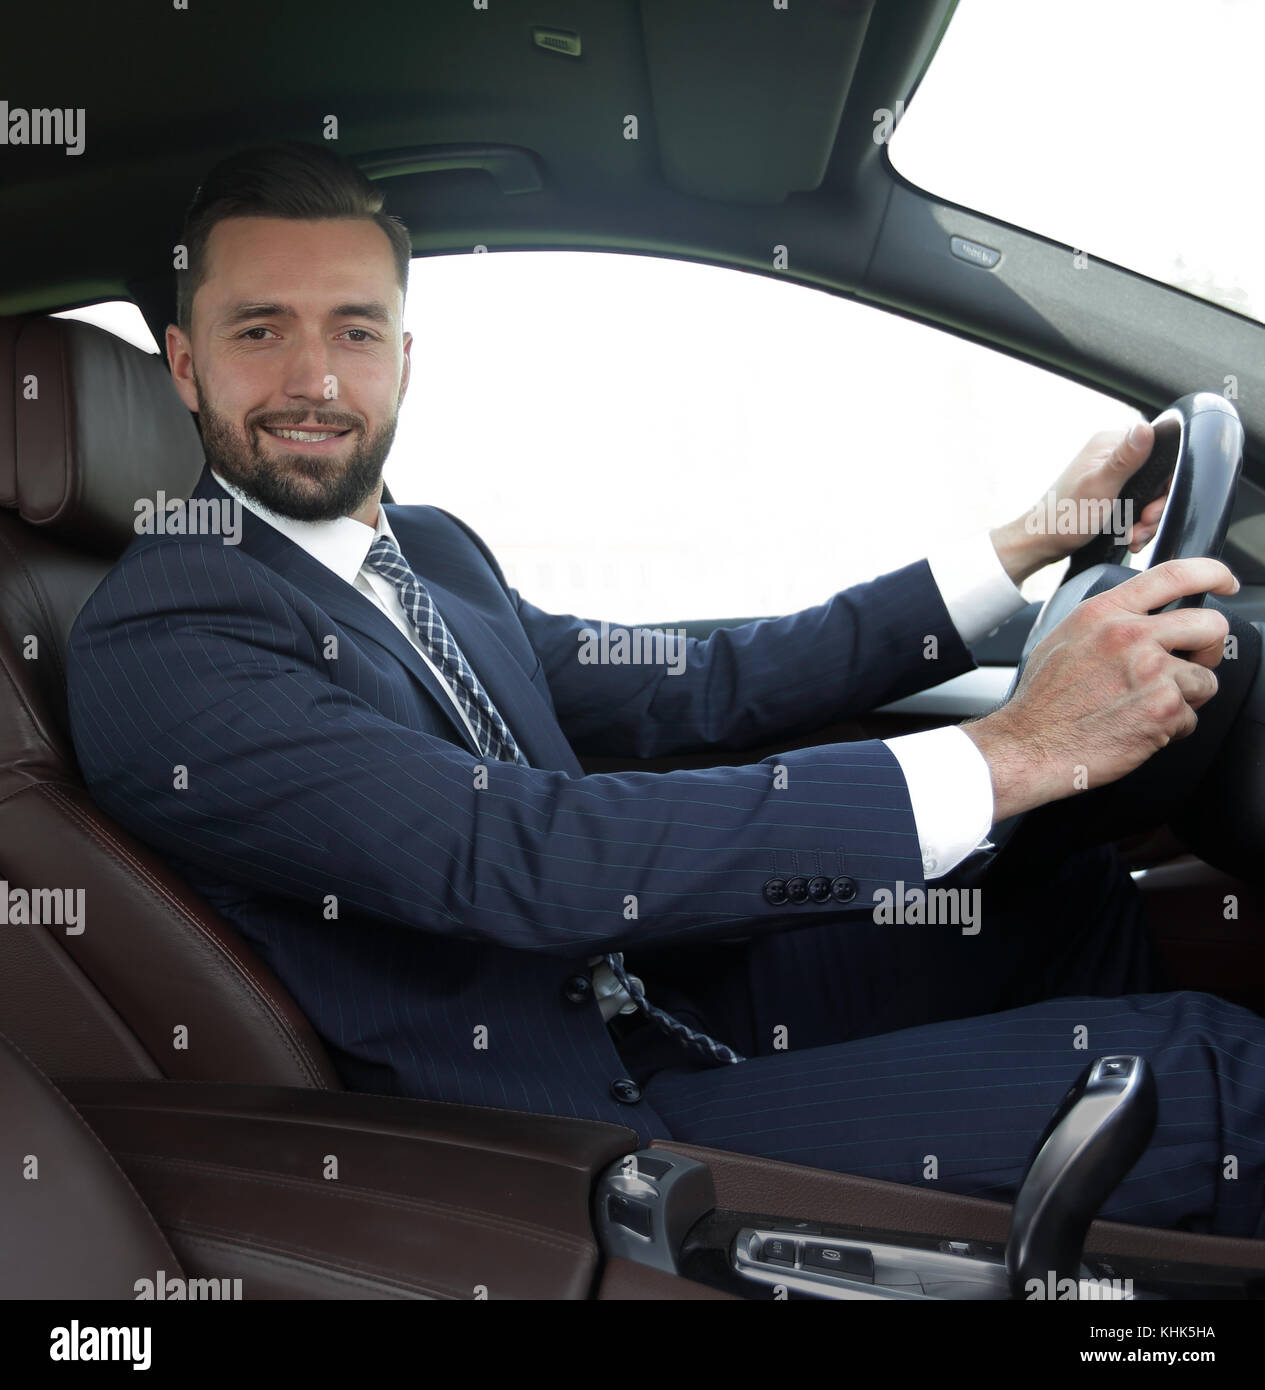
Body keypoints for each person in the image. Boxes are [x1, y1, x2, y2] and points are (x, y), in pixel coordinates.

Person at [67, 142, 1264, 1240]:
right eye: (260, 330)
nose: (316, 378)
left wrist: (1021, 546)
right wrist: (1011, 750)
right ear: (185, 364)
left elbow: (691, 684)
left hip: (658, 988)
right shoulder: (167, 636)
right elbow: (509, 853)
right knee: (1214, 1072)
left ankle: (1119, 1257)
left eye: (356, 329)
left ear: (404, 357)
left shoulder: (428, 551)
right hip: (553, 1119)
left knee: (1066, 897)